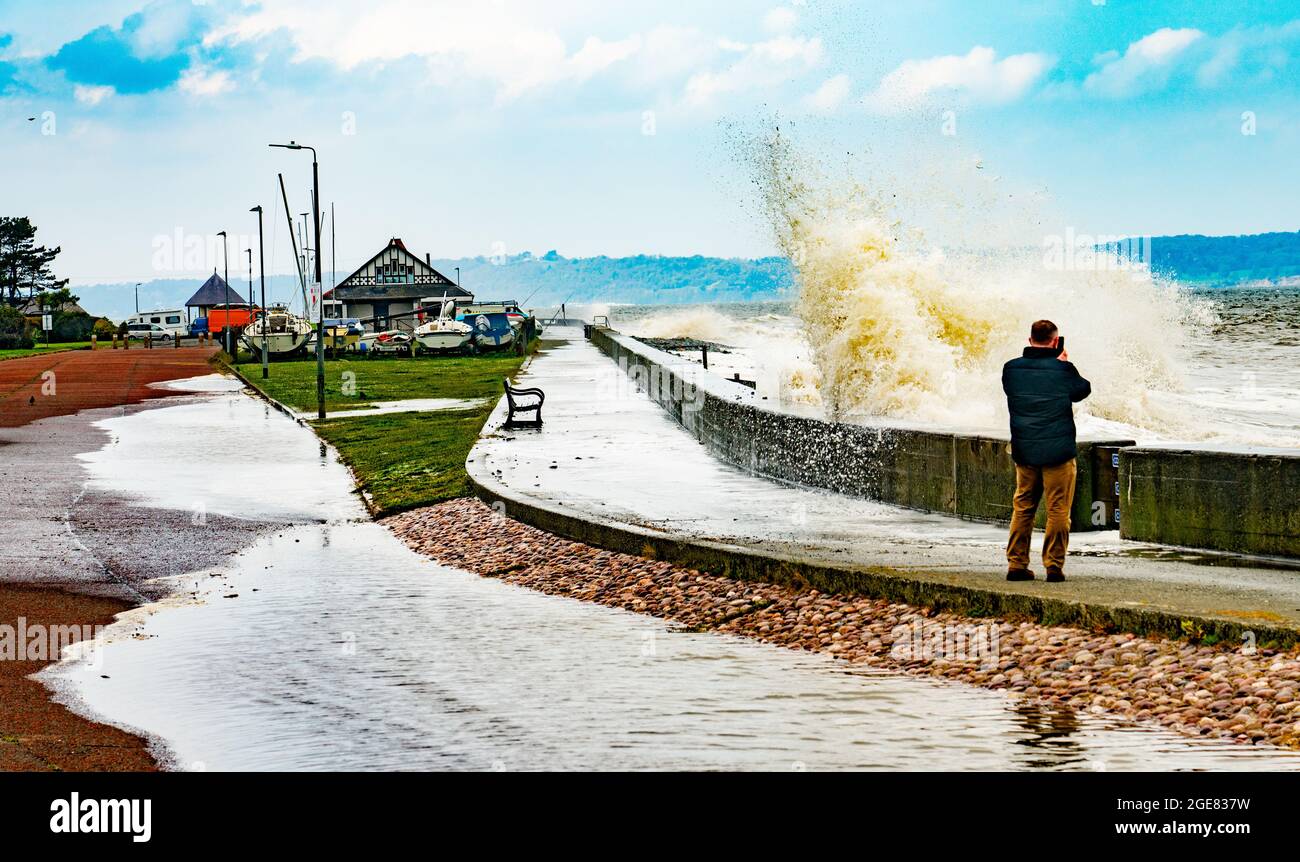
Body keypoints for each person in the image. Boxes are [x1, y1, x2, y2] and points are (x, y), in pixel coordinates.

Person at [1001, 319, 1091, 583]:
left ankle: (1016, 565)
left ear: (1030, 341)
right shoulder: (1063, 369)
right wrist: (1062, 364)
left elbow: (1013, 390)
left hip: (1025, 450)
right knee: (1058, 510)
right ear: (1055, 341)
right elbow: (1082, 391)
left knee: (1023, 507)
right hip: (1058, 453)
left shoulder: (1011, 369)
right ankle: (1053, 566)